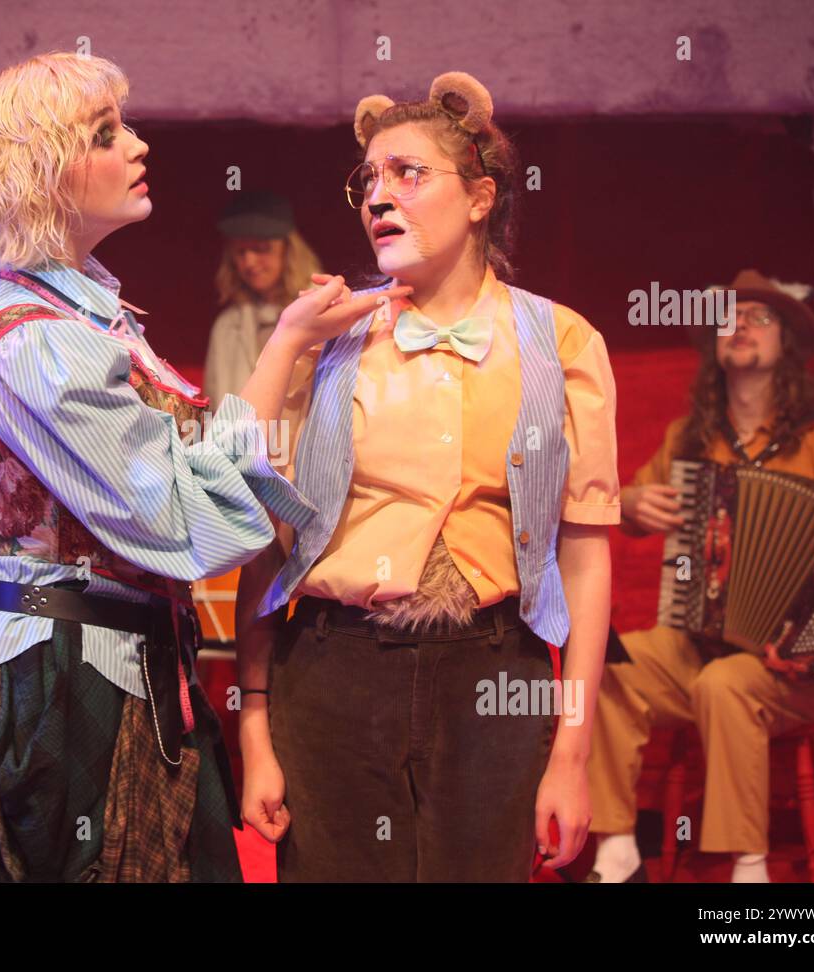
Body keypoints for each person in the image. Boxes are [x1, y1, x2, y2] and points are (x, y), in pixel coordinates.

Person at [0, 51, 408, 883]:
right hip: (64, 675)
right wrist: (289, 350)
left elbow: (177, 455)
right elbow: (180, 526)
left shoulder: (73, 304)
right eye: (105, 135)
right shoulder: (42, 343)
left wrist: (295, 350)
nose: (138, 146)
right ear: (42, 178)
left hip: (102, 652)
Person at [235, 70, 620, 882]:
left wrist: (574, 755)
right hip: (333, 674)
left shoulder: (564, 343)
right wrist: (254, 725)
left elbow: (584, 560)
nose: (379, 196)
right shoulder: (328, 336)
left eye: (408, 174)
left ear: (481, 198)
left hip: (494, 674)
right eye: (368, 179)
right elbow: (263, 539)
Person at [586, 269, 814, 883]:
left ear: (789, 348)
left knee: (726, 684)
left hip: (806, 667)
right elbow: (633, 504)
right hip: (699, 645)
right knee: (608, 663)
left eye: (760, 317)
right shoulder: (689, 440)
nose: (739, 325)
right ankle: (616, 846)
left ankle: (749, 867)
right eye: (728, 317)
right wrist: (634, 505)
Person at [203, 192, 322, 407]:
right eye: (240, 252)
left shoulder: (321, 308)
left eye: (260, 249)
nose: (249, 262)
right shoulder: (227, 325)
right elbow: (214, 408)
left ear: (289, 251)